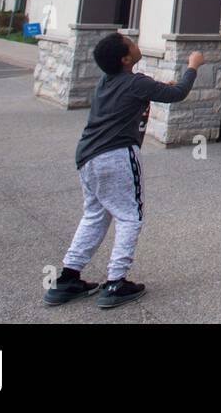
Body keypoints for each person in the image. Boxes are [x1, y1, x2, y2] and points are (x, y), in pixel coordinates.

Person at [43, 32, 205, 309]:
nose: (135, 43)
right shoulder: (135, 83)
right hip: (116, 157)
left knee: (94, 215)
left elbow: (146, 93)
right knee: (130, 216)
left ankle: (68, 277)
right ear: (126, 58)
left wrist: (154, 90)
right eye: (130, 44)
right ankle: (116, 281)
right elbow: (178, 94)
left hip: (87, 157)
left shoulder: (107, 82)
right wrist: (193, 65)